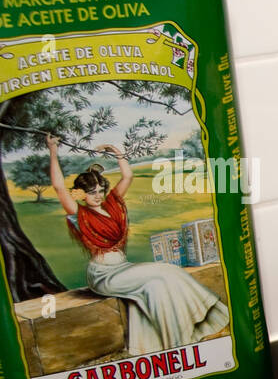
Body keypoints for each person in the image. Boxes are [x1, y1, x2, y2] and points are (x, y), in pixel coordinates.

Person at [46, 134, 230, 356]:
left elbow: (128, 175)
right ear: (82, 194)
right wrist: (53, 150)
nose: (97, 196)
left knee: (166, 274)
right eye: (91, 192)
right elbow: (57, 186)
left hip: (123, 267)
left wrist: (117, 153)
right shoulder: (79, 214)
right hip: (104, 275)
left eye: (99, 190)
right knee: (158, 281)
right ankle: (178, 344)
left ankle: (184, 334)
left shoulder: (112, 204)